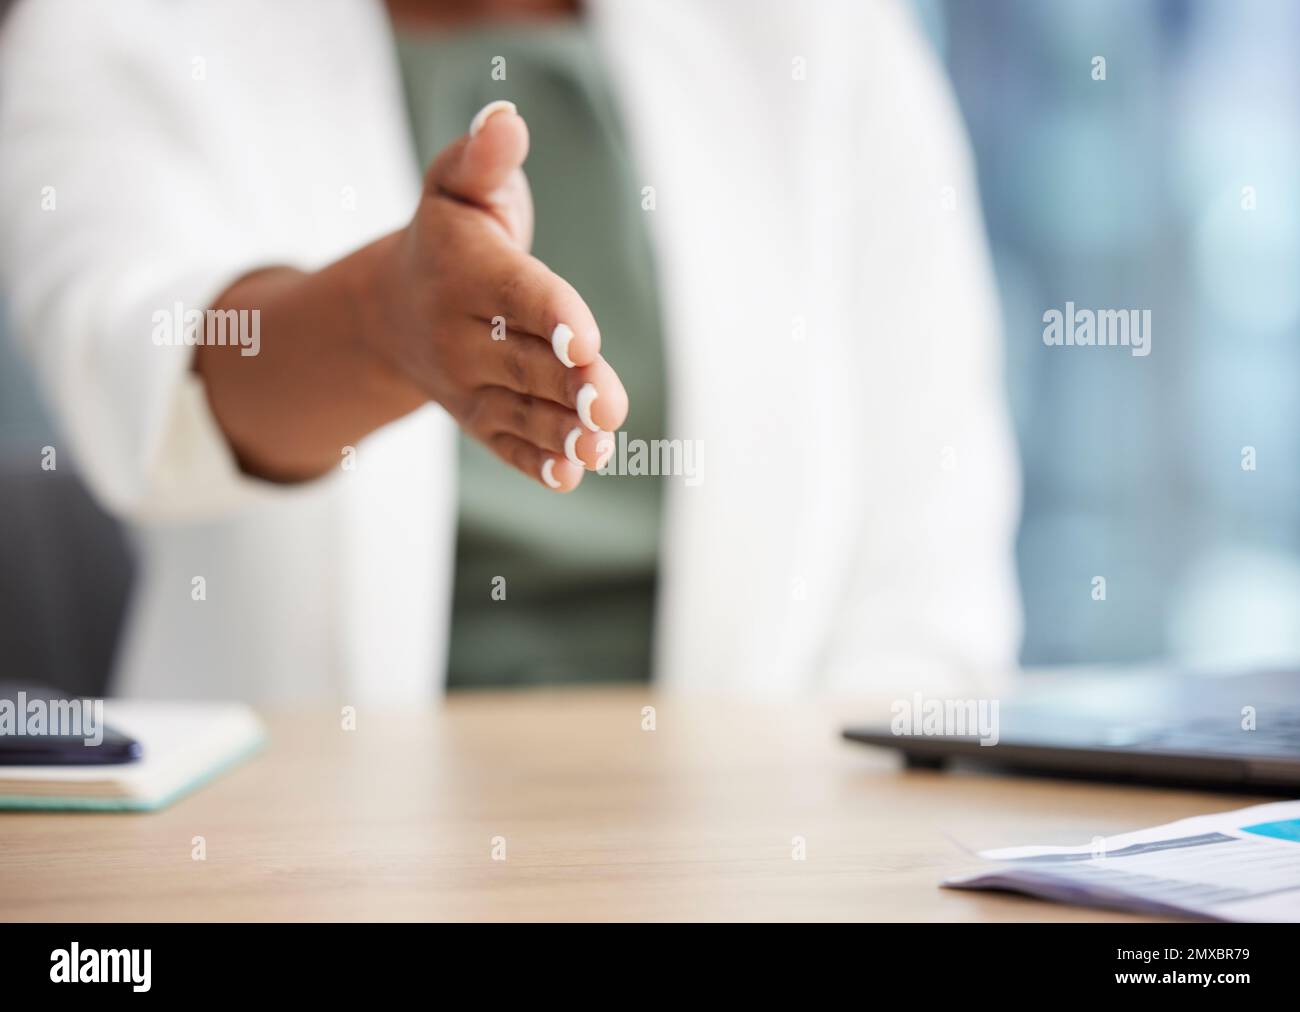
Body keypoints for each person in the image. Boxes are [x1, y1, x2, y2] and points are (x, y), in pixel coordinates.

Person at [0, 0, 1022, 703]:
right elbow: (142, 379)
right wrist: (380, 327)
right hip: (289, 858)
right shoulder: (114, 29)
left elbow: (928, 571)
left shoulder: (825, 37)